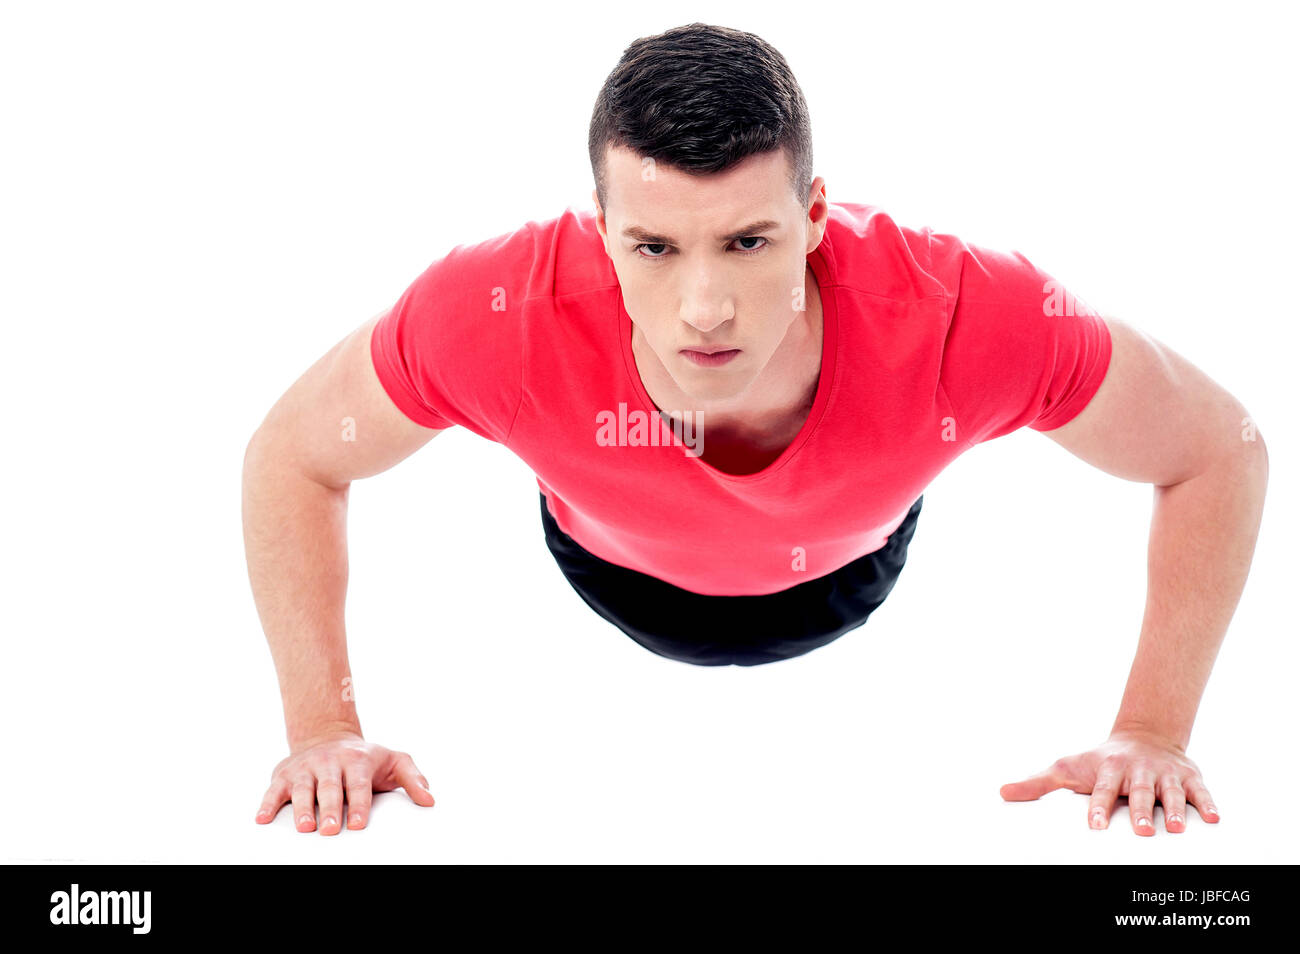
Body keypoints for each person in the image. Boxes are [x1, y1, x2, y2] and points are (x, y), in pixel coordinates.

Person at [242, 22, 1268, 839]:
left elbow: (1219, 448)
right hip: (611, 570)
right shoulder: (493, 311)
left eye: (747, 240)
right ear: (601, 231)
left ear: (815, 214)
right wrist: (323, 730)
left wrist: (1150, 731)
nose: (704, 308)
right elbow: (291, 456)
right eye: (651, 246)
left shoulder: (971, 314)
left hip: (844, 576)